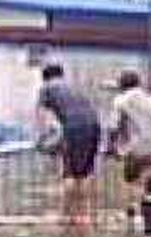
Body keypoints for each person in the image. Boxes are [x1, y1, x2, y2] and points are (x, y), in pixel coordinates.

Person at [36, 64, 102, 224]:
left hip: (73, 127)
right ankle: (85, 215)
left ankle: (66, 214)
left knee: (70, 172)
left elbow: (42, 116)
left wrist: (43, 139)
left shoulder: (46, 88)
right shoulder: (74, 87)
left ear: (45, 77)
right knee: (84, 172)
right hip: (94, 125)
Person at [109, 70, 151, 224]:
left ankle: (129, 211)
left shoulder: (121, 100)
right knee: (145, 179)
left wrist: (112, 147)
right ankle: (143, 212)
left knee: (129, 179)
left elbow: (114, 126)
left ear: (122, 85)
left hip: (136, 145)